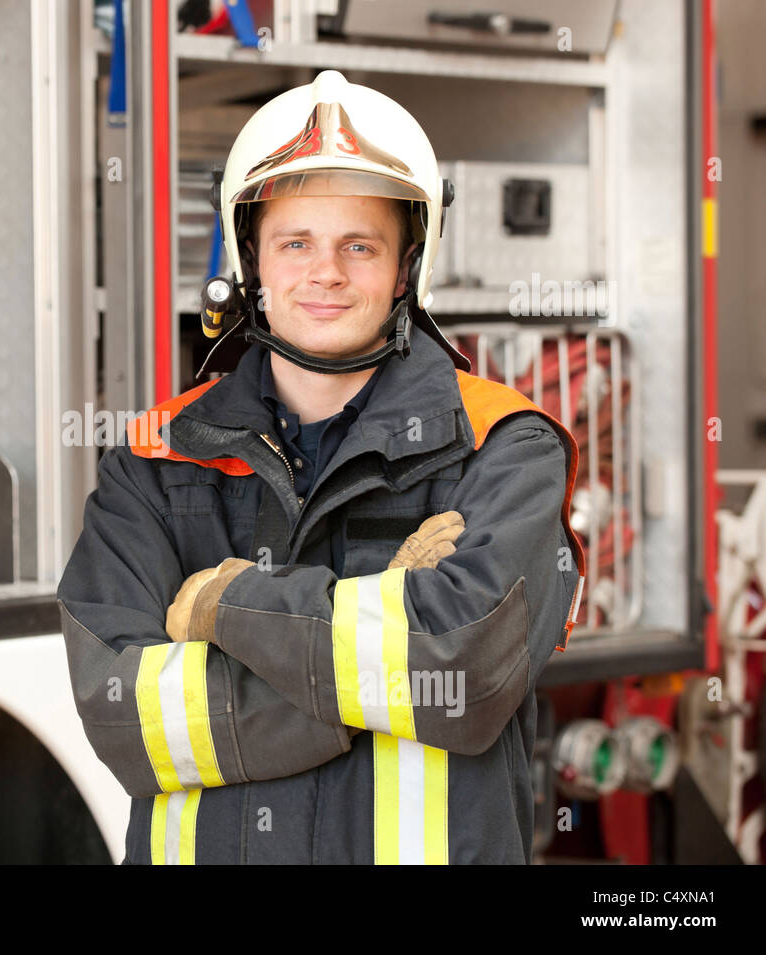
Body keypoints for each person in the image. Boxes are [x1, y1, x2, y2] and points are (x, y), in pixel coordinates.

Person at [57, 70, 586, 864]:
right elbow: (123, 716)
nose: (326, 273)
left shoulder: (504, 446)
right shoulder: (154, 461)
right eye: (296, 242)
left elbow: (468, 673)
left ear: (406, 267)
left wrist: (224, 603)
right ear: (254, 262)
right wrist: (379, 666)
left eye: (359, 246)